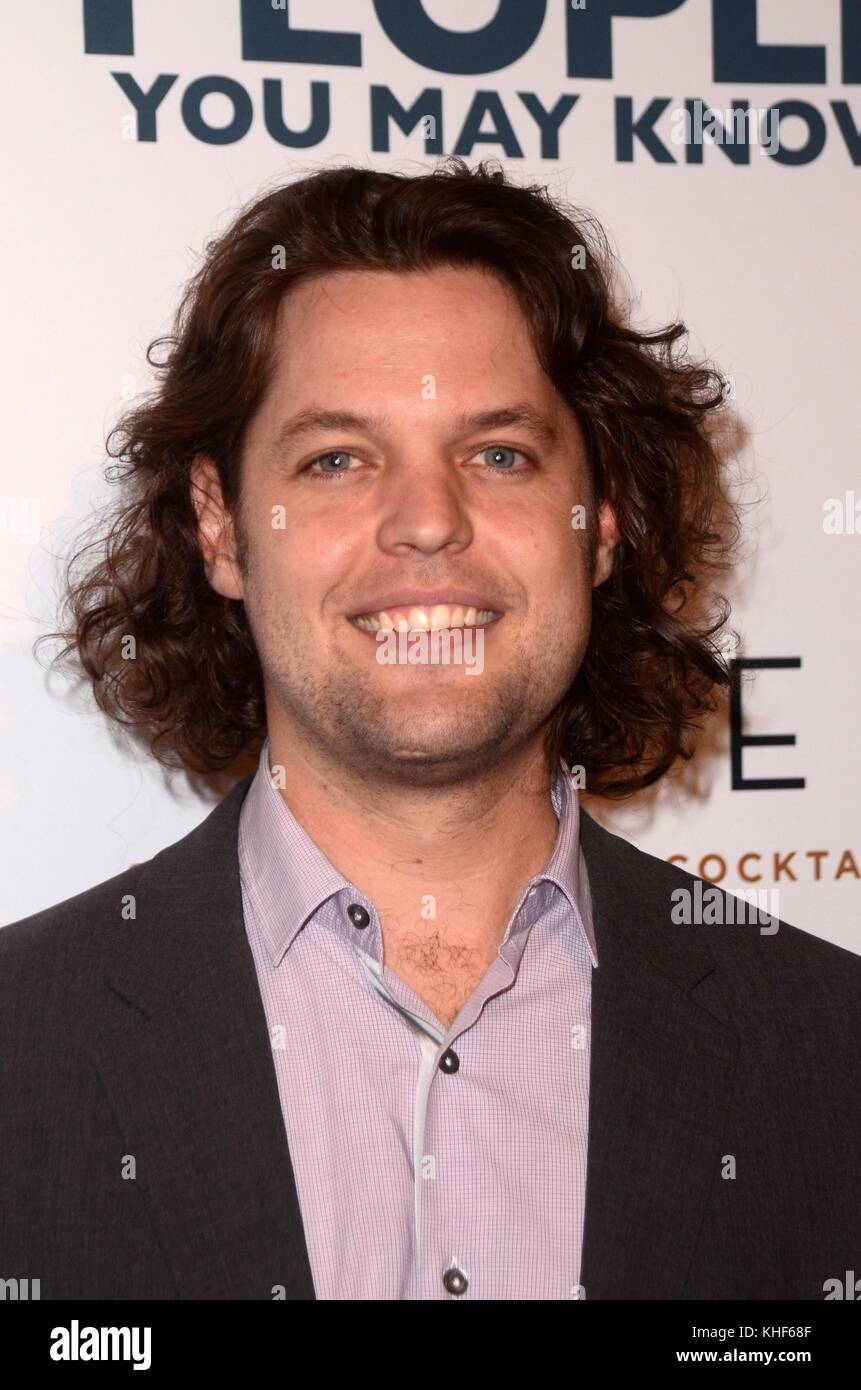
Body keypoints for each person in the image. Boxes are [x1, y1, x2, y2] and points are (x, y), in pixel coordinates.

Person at [2, 160, 859, 1301]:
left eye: (499, 452)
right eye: (338, 459)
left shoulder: (830, 1054)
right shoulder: (24, 1047)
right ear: (218, 527)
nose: (427, 523)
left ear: (600, 520)